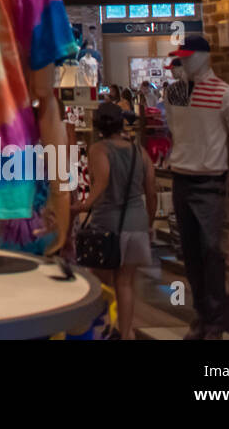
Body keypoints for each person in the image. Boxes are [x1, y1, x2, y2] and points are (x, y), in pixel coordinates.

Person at [164, 34, 229, 340]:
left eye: (189, 56)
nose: (184, 61)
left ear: (204, 56)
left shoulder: (225, 94)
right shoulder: (175, 93)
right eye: (182, 57)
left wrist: (227, 172)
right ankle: (203, 315)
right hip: (184, 177)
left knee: (210, 252)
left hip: (209, 179)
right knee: (189, 251)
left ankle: (213, 320)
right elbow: (177, 128)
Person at [73, 102, 155, 339]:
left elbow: (102, 182)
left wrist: (84, 205)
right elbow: (151, 191)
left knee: (99, 283)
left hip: (107, 225)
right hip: (137, 222)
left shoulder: (99, 149)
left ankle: (101, 328)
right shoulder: (140, 151)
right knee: (126, 283)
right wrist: (148, 222)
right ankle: (127, 333)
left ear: (98, 125)